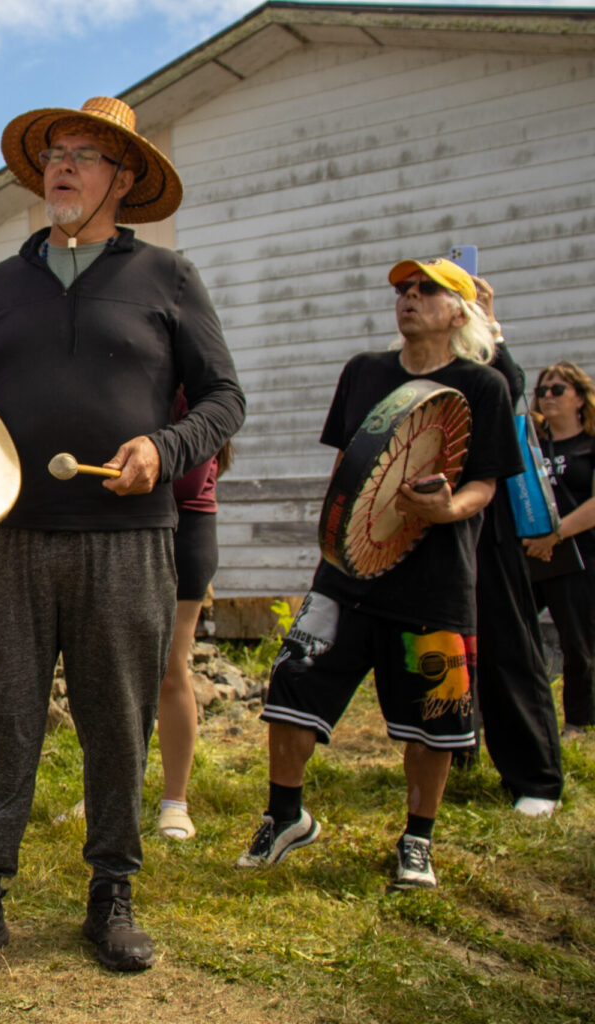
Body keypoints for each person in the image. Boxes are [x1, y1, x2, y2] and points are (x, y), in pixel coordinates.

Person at [0, 96, 244, 975]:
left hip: (127, 539)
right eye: (55, 151)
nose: (63, 164)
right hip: (6, 538)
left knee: (116, 723)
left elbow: (223, 399)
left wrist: (164, 450)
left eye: (86, 155)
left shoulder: (167, 277)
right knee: (5, 717)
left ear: (123, 179)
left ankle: (112, 893)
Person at [239, 257, 520, 891]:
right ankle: (285, 816)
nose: (409, 298)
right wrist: (350, 526)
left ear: (460, 309)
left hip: (437, 583)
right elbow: (349, 462)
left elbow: (486, 483)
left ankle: (417, 841)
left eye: (426, 290)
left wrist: (447, 509)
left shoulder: (484, 387)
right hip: (344, 572)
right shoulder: (364, 373)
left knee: (436, 717)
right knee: (290, 690)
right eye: (402, 289)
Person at [465, 279, 562, 816]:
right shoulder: (405, 365)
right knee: (442, 651)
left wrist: (488, 321)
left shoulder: (488, 366)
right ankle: (454, 752)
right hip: (434, 526)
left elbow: (509, 385)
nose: (412, 300)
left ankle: (536, 779)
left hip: (491, 525)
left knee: (507, 648)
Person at [155, 428, 229, 841]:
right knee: (114, 669)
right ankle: (105, 793)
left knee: (170, 666)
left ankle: (175, 803)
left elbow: (188, 480)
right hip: (125, 528)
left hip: (185, 529)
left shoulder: (197, 392)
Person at [525, 360, 595, 744]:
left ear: (580, 398)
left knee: (577, 643)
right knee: (510, 631)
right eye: (542, 390)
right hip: (532, 556)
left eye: (557, 389)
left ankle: (579, 725)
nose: (547, 396)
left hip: (579, 556)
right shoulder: (531, 444)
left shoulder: (590, 444)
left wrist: (555, 535)